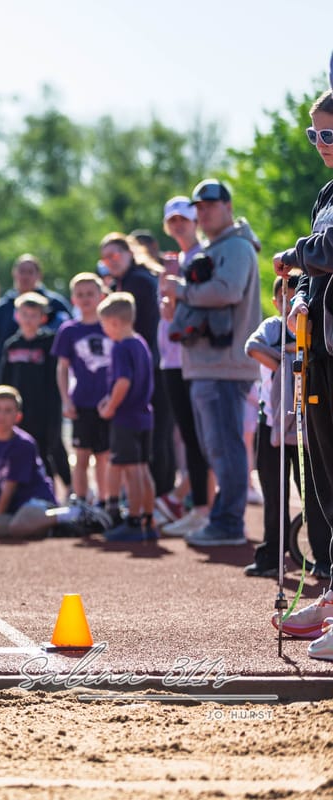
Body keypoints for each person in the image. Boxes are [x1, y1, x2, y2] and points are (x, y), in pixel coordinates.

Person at [162, 179, 262, 547]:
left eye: (210, 204)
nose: (203, 212)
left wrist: (181, 291)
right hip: (208, 364)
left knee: (224, 445)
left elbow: (227, 291)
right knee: (215, 445)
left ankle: (228, 524)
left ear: (228, 206)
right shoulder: (218, 246)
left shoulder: (235, 246)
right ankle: (223, 518)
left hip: (225, 364)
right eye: (198, 206)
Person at [272, 86, 333, 661]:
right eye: (315, 134)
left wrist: (296, 254)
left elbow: (332, 246)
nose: (321, 145)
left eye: (330, 133)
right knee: (326, 475)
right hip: (324, 347)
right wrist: (301, 297)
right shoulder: (325, 192)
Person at [245, 272, 331, 578]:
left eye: (294, 296)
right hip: (274, 422)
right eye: (283, 296)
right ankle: (271, 555)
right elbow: (253, 348)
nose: (288, 301)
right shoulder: (273, 328)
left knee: (315, 494)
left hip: (309, 425)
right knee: (274, 491)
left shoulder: (315, 329)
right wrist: (288, 357)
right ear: (275, 300)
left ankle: (323, 558)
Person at [0, 385, 106, 539]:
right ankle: (52, 529)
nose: (1, 415)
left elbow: (10, 488)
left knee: (18, 525)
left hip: (36, 503)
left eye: (8, 410)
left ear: (18, 416)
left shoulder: (24, 444)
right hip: (14, 512)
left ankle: (75, 513)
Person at [100, 232, 176, 513]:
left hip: (150, 371)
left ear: (129, 253)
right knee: (148, 451)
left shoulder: (137, 283)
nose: (111, 261)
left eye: (115, 255)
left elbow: (143, 332)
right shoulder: (128, 281)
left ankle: (149, 508)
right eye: (106, 258)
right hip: (152, 366)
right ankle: (152, 508)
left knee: (144, 453)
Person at [159, 196, 212, 537]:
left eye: (184, 218)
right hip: (170, 360)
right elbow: (166, 314)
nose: (178, 224)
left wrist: (174, 288)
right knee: (191, 437)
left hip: (193, 359)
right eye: (172, 220)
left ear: (195, 220)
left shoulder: (204, 257)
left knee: (200, 437)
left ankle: (205, 509)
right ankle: (199, 506)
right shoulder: (172, 262)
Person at [96, 292, 157, 542]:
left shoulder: (121, 347)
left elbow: (123, 381)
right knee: (142, 469)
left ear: (114, 322)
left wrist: (110, 406)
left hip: (127, 416)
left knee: (132, 471)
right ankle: (148, 519)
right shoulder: (140, 342)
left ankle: (133, 520)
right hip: (144, 415)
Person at [0, 292, 71, 493]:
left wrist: (59, 403)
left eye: (34, 315)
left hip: (46, 407)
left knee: (52, 448)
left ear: (43, 318)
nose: (29, 319)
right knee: (21, 450)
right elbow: (3, 381)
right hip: (20, 410)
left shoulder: (49, 343)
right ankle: (29, 494)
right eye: (25, 314)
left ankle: (68, 489)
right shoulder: (12, 344)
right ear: (17, 316)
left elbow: (57, 376)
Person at [52, 272, 112, 504]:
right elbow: (62, 368)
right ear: (73, 299)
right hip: (82, 401)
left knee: (104, 456)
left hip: (108, 401)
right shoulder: (69, 330)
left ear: (101, 296)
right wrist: (66, 399)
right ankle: (80, 501)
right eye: (80, 294)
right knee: (82, 455)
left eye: (90, 294)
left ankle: (105, 502)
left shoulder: (111, 325)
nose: (85, 299)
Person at [0, 255, 70, 390]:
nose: (25, 276)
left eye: (30, 272)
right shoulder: (3, 308)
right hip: (10, 381)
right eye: (21, 271)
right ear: (14, 273)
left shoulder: (55, 305)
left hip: (46, 383)